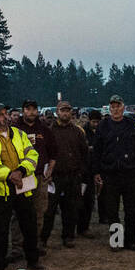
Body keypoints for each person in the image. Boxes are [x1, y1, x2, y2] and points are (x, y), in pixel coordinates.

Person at [0, 104, 44, 270]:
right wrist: (9, 175)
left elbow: (33, 155)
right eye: (0, 114)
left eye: (6, 113)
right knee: (1, 229)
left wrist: (21, 171)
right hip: (2, 189)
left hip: (23, 186)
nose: (5, 117)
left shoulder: (20, 134)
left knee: (29, 226)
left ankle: (33, 260)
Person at [91, 96, 135, 251]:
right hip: (110, 174)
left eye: (118, 106)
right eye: (112, 106)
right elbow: (97, 151)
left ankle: (131, 241)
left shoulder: (132, 124)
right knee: (112, 210)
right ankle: (116, 241)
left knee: (132, 210)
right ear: (109, 108)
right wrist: (96, 172)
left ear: (123, 107)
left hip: (130, 174)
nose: (115, 109)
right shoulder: (103, 125)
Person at [42, 101, 89, 249]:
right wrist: (47, 173)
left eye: (68, 110)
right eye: (63, 110)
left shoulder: (77, 131)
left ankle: (68, 236)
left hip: (73, 176)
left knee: (71, 209)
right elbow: (44, 153)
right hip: (54, 177)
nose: (65, 113)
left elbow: (85, 153)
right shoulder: (49, 131)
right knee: (49, 210)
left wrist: (81, 172)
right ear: (57, 112)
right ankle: (43, 239)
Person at [12, 100, 55, 253]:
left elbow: (53, 153)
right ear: (23, 110)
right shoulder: (14, 129)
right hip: (22, 178)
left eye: (34, 109)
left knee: (39, 212)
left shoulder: (44, 130)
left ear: (37, 111)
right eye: (27, 109)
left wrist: (50, 169)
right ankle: (17, 247)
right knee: (19, 213)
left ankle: (34, 244)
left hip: (39, 177)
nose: (31, 112)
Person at [77, 109, 103, 237]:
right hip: (83, 172)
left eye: (98, 122)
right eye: (94, 122)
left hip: (94, 171)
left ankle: (84, 227)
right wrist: (90, 149)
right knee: (79, 200)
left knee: (89, 201)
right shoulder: (82, 132)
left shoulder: (102, 131)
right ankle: (77, 226)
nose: (96, 124)